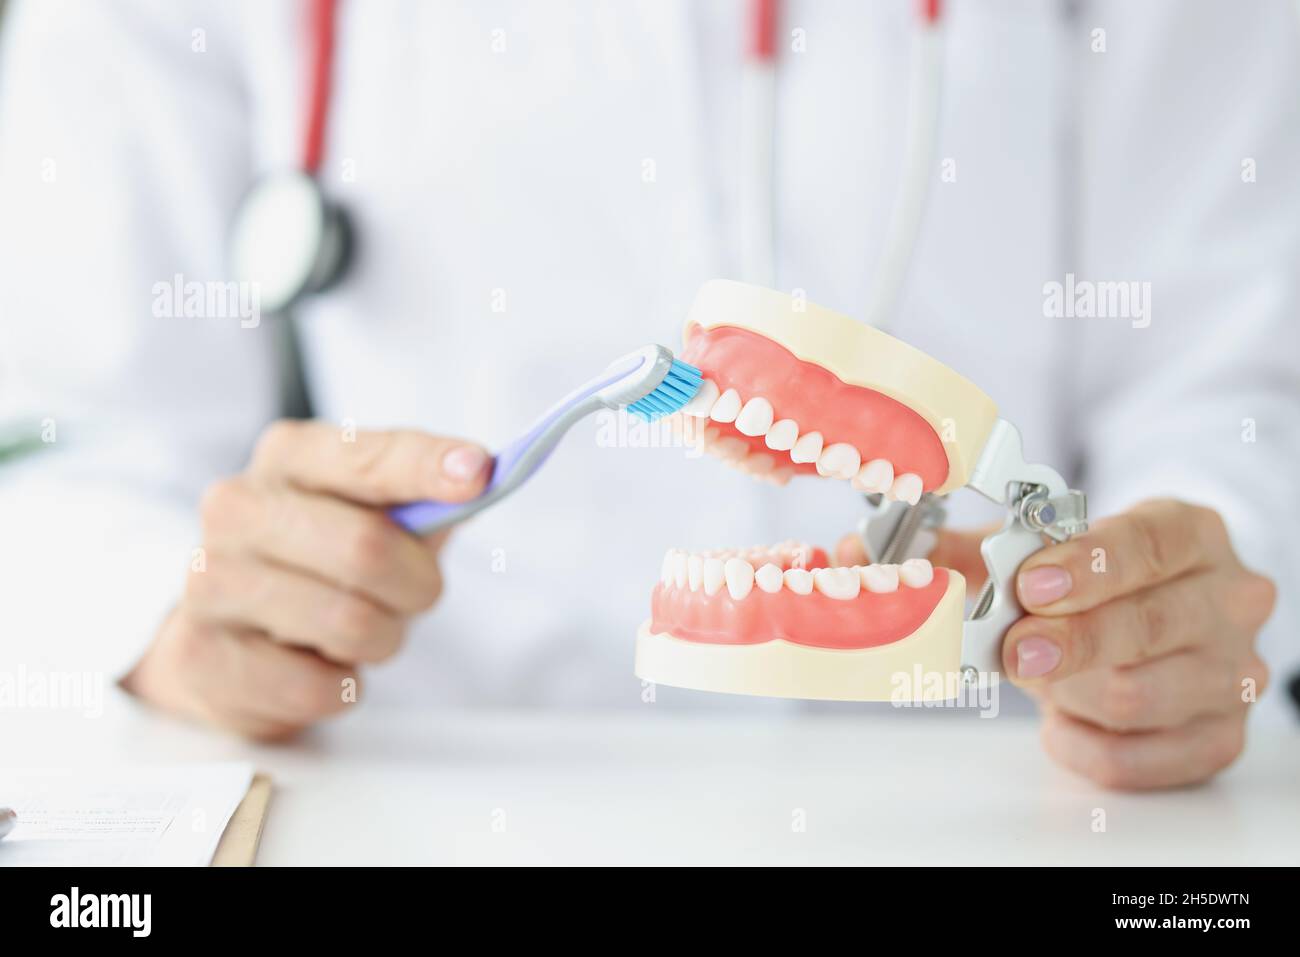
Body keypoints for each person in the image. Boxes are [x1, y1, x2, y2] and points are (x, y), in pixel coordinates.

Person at [0, 0, 1295, 790]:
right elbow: (70, 443)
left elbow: (1226, 370)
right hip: (419, 790)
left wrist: (1183, 589)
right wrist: (182, 616)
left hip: (1018, 785)